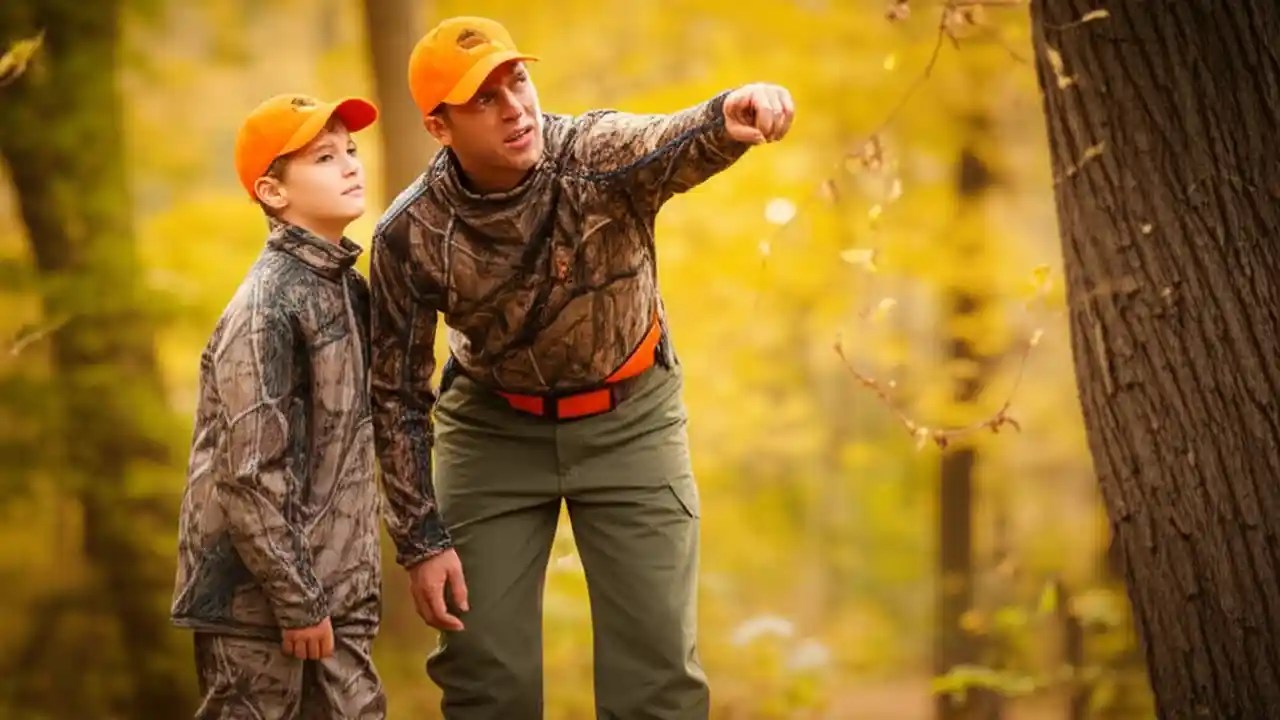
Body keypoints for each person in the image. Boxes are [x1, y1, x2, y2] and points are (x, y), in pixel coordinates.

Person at [369, 15, 794, 719]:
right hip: (491, 433)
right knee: (485, 679)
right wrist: (420, 540)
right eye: (484, 100)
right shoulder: (411, 234)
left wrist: (732, 110)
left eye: (519, 81)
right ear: (439, 127)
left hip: (632, 419)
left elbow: (671, 139)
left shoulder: (592, 154)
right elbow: (395, 395)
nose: (515, 109)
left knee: (657, 682)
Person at [170, 92, 387, 718]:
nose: (351, 165)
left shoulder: (346, 285)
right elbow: (246, 474)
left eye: (350, 150)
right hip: (259, 613)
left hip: (337, 606)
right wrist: (299, 601)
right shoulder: (266, 305)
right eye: (324, 157)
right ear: (272, 192)